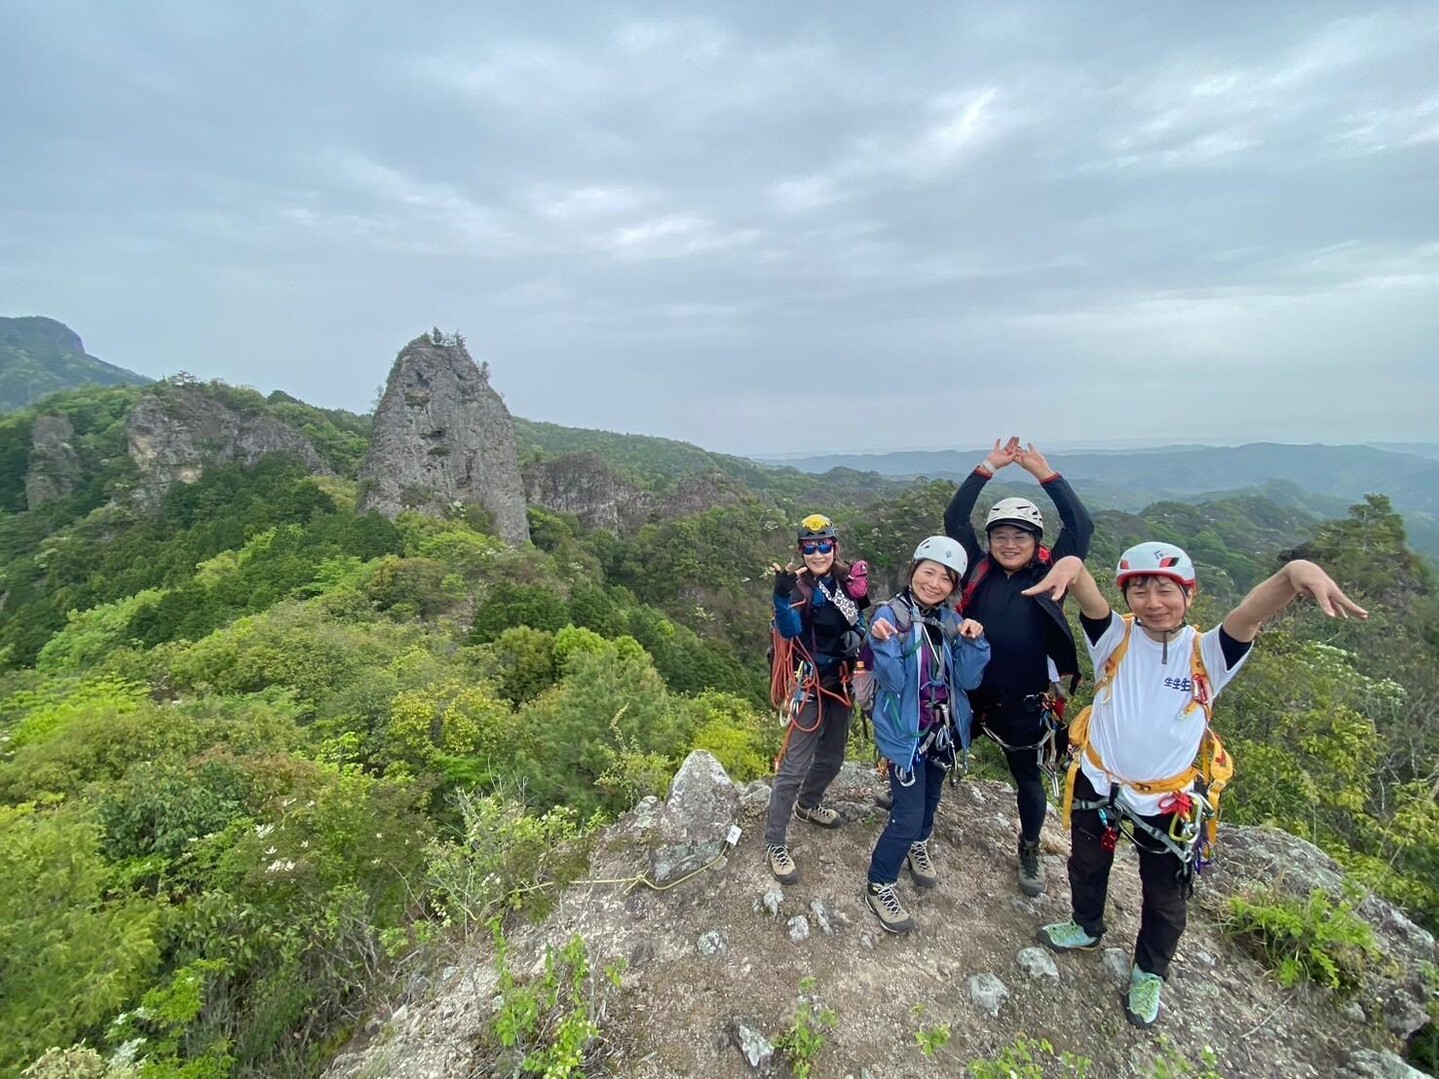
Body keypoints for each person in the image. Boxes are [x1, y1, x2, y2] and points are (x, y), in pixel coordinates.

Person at [1023, 542, 1367, 1028]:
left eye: (1166, 590)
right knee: (1086, 864)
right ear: (1127, 597)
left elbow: (1249, 613)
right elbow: (1085, 590)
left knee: (1165, 896)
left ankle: (1150, 971)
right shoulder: (1114, 638)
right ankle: (1086, 925)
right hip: (1099, 781)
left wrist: (1295, 572)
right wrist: (1071, 566)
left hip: (1169, 799)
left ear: (1190, 594)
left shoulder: (1209, 653)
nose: (1153, 603)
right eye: (1140, 591)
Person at [943, 437, 1094, 897]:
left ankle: (1029, 846)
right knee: (937, 748)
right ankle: (913, 807)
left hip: (1023, 699)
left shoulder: (1051, 575)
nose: (1009, 545)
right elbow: (955, 519)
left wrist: (1045, 474)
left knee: (1027, 777)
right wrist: (987, 467)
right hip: (970, 689)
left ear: (1036, 542)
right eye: (1000, 536)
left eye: (1020, 536)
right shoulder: (977, 568)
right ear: (988, 541)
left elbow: (1080, 526)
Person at [863, 536, 990, 933]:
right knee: (908, 813)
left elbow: (968, 680)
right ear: (913, 571)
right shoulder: (890, 616)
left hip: (942, 730)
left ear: (954, 586)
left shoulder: (951, 621)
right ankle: (879, 882)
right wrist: (883, 644)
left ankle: (918, 844)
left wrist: (974, 643)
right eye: (928, 572)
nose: (934, 583)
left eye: (945, 578)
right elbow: (895, 683)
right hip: (907, 734)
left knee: (931, 797)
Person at [764, 514, 871, 885]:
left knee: (833, 757)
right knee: (794, 766)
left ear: (834, 547)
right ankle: (775, 842)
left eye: (824, 545)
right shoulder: (799, 588)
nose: (818, 553)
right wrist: (781, 597)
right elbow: (790, 629)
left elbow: (858, 619)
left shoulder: (846, 582)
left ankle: (808, 804)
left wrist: (858, 636)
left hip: (840, 680)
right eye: (810, 547)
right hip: (810, 682)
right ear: (801, 551)